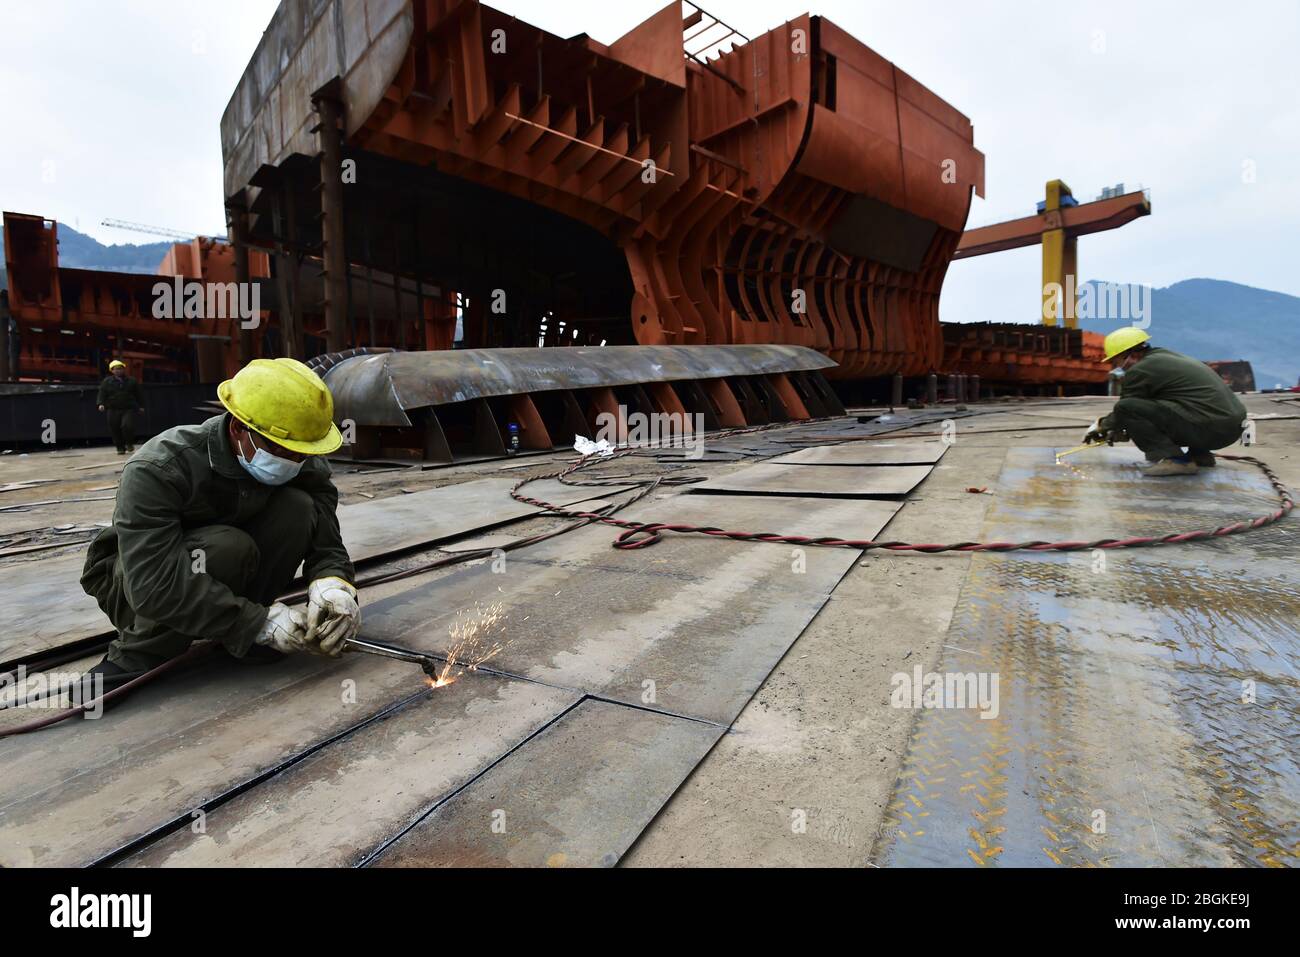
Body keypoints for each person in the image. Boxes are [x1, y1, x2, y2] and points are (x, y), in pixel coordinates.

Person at [79, 357, 362, 698]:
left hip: (221, 571)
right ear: (238, 428)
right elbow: (152, 584)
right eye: (278, 449)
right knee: (229, 546)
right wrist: (258, 622)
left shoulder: (301, 456)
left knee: (298, 508)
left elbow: (326, 540)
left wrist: (334, 584)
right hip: (135, 586)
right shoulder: (159, 467)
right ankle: (141, 654)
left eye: (299, 454)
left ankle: (242, 639)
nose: (292, 461)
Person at [1083, 328, 1247, 476]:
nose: (1118, 367)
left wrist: (1101, 426)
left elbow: (1126, 410)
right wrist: (1122, 429)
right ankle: (1200, 455)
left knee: (1125, 407)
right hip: (1233, 427)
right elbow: (1159, 409)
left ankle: (1176, 460)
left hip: (1211, 427)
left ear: (1130, 354)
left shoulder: (1140, 369)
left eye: (1116, 361)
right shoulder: (1165, 357)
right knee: (1183, 404)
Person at [97, 359, 146, 454]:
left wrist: (141, 406)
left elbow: (139, 394)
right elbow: (102, 393)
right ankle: (120, 447)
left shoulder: (131, 381)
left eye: (120, 369)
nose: (118, 371)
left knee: (127, 426)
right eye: (116, 369)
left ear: (124, 369)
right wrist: (101, 404)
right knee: (114, 428)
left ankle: (129, 443)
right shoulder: (107, 381)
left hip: (128, 408)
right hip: (113, 408)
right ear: (112, 370)